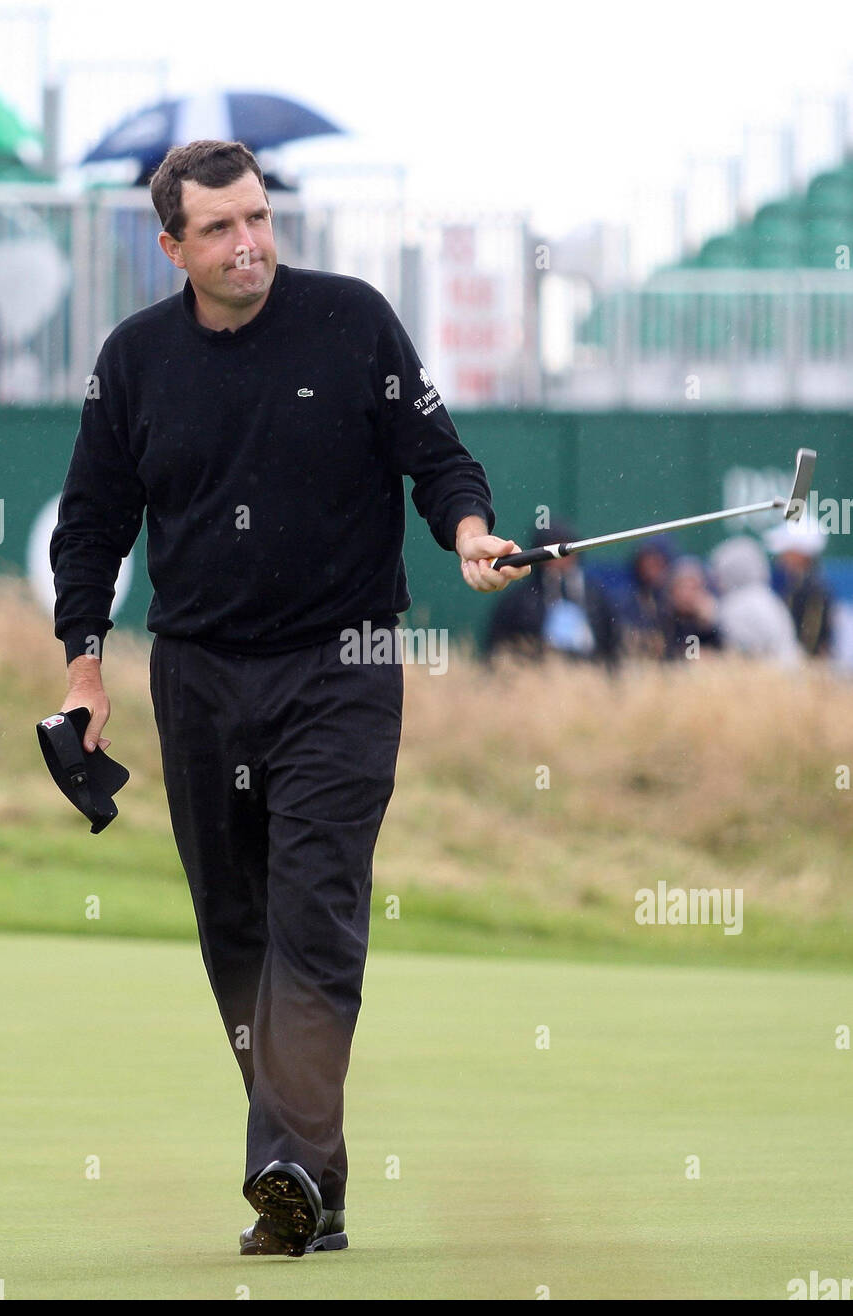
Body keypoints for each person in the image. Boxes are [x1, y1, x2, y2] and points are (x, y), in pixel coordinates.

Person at [48, 140, 531, 1258]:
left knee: (313, 912)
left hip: (342, 664)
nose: (248, 241)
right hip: (200, 674)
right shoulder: (132, 361)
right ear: (171, 246)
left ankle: (288, 1171)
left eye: (258, 216)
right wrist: (85, 667)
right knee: (234, 933)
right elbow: (90, 527)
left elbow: (437, 458)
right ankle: (319, 1177)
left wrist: (468, 533)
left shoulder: (353, 321)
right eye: (217, 228)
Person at [481, 520, 621, 668]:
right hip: (536, 678)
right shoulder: (519, 600)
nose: (561, 559)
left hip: (589, 676)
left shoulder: (594, 595)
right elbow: (499, 647)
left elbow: (612, 643)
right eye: (553, 553)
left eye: (566, 551)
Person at [707, 535, 802, 667]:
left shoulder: (737, 604)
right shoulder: (767, 597)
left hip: (767, 676)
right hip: (788, 671)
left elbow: (743, 651)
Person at [765, 521, 834, 659]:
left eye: (786, 551)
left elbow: (810, 644)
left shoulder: (814, 591)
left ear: (800, 554)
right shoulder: (796, 585)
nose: (781, 557)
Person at [617, 537, 677, 660]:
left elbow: (692, 648)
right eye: (647, 562)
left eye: (657, 562)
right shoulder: (627, 600)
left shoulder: (677, 600)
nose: (651, 568)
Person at [662, 556, 722, 660]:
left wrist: (708, 625)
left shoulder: (705, 621)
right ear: (671, 590)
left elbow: (721, 652)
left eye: (693, 588)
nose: (687, 595)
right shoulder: (663, 621)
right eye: (682, 587)